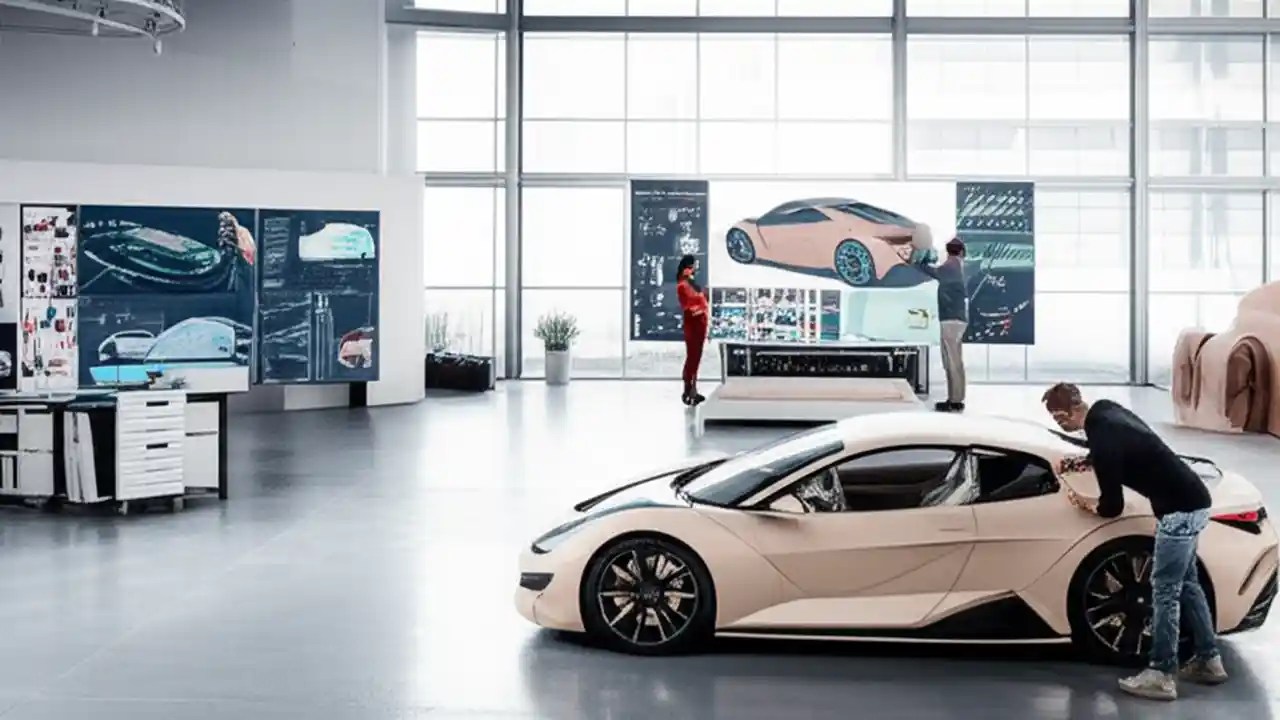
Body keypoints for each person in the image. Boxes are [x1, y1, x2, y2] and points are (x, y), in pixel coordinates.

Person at [1041, 383, 1225, 701]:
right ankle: (1208, 660)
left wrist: (1086, 505)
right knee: (1188, 586)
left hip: (1177, 513)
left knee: (1164, 592)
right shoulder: (1107, 411)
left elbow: (1113, 506)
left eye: (1060, 420)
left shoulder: (1102, 436)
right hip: (1195, 500)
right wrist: (1079, 463)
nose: (1062, 426)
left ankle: (1161, 674)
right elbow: (1116, 450)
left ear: (1069, 412)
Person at [916, 237, 968, 412]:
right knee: (955, 360)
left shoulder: (951, 266)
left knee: (951, 361)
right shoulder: (958, 266)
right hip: (957, 319)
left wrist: (920, 261)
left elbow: (932, 271)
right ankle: (956, 399)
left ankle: (954, 401)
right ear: (961, 251)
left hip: (951, 319)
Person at [676, 254, 708, 407]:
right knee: (692, 359)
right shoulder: (682, 286)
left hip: (700, 325)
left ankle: (693, 389)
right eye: (691, 267)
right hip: (693, 326)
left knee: (696, 358)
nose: (693, 269)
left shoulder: (692, 284)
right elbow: (688, 308)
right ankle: (688, 390)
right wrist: (701, 309)